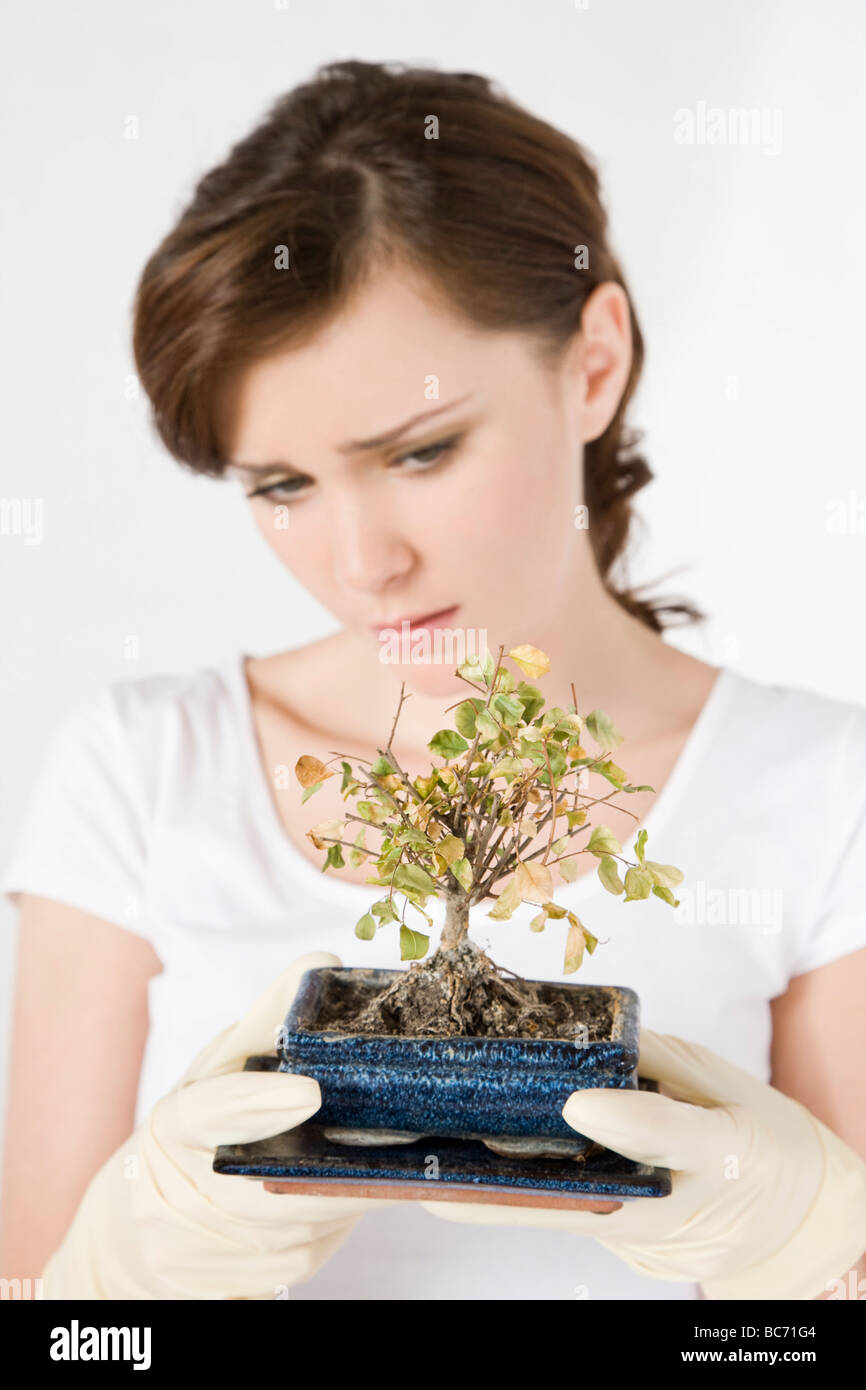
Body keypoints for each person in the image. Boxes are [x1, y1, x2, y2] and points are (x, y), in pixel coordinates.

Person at [1, 59, 864, 1302]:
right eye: (281, 485)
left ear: (593, 362)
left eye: (420, 450)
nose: (363, 566)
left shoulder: (821, 787)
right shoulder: (142, 767)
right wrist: (131, 1278)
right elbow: (49, 1326)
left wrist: (801, 1272)